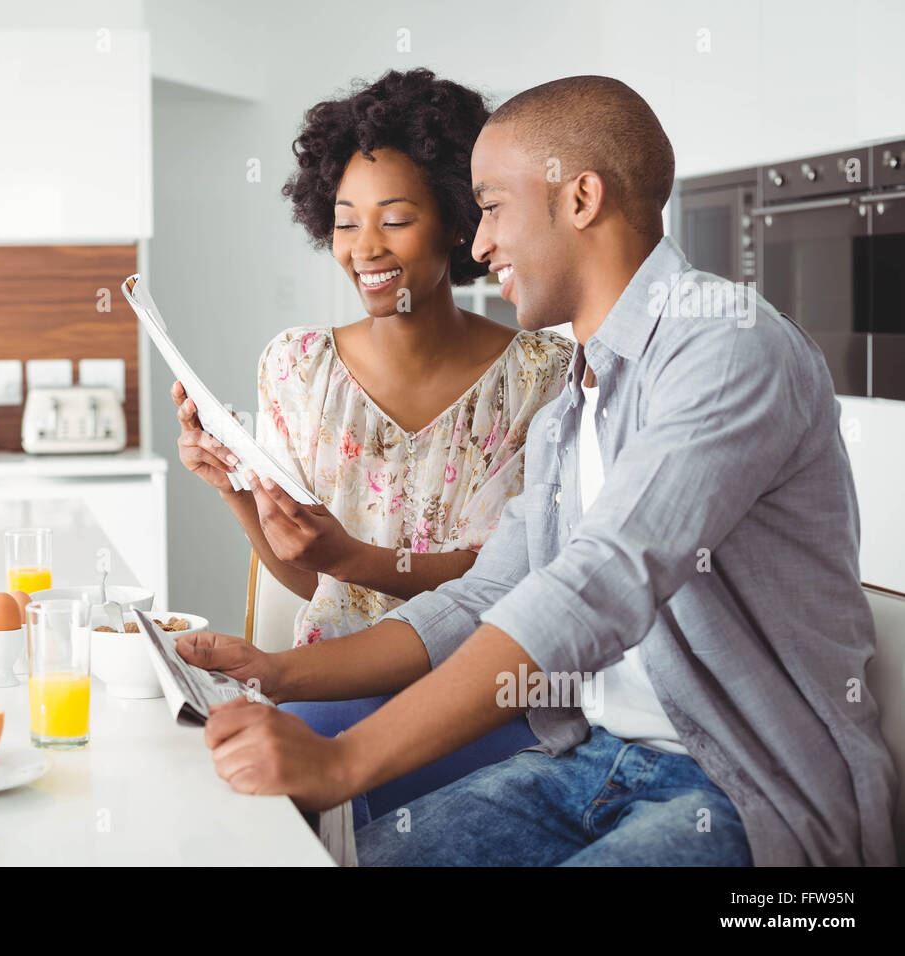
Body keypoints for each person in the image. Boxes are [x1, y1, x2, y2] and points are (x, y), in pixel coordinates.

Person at [177, 75, 898, 866]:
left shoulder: (725, 345)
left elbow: (602, 579)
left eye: (491, 206)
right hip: (588, 765)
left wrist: (343, 762)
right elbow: (483, 596)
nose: (478, 244)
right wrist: (273, 670)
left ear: (580, 198)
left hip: (742, 788)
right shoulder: (572, 404)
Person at [171, 68, 573, 830]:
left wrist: (354, 555)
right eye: (346, 220)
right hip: (327, 681)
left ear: (460, 221)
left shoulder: (539, 379)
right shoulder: (296, 368)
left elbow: (511, 587)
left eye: (394, 218)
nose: (364, 248)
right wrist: (231, 486)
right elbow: (303, 576)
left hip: (476, 700)